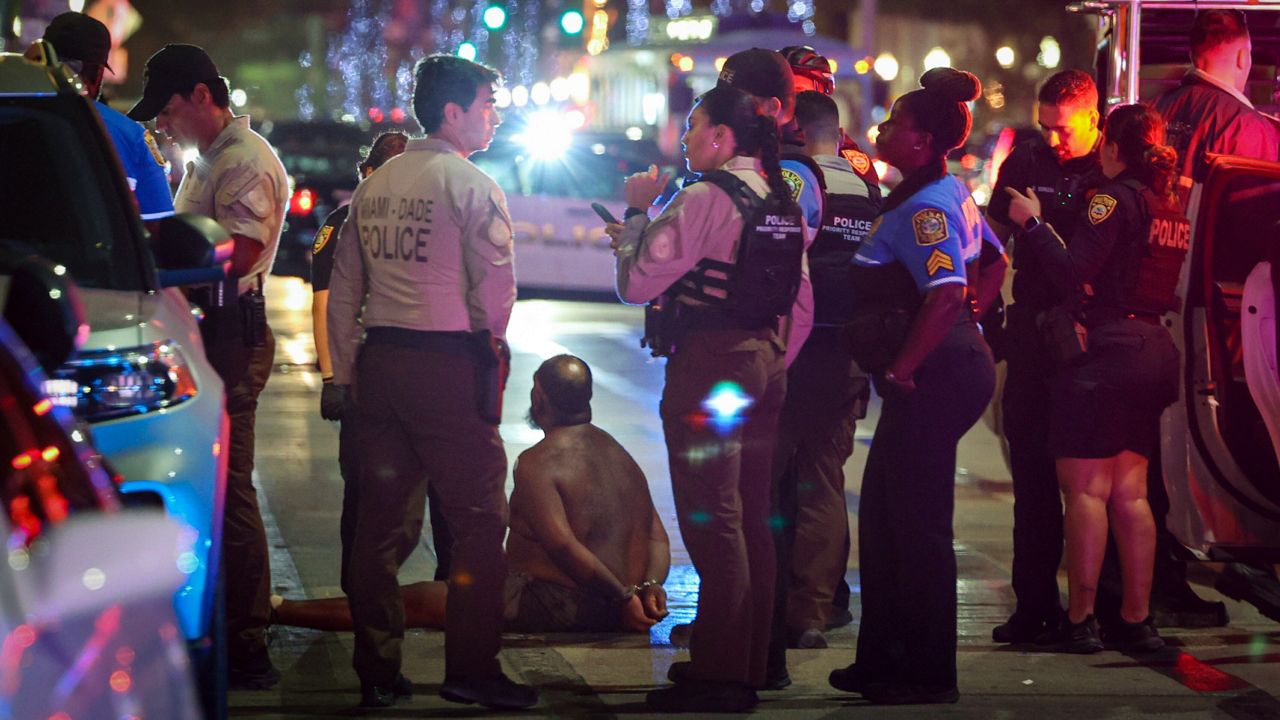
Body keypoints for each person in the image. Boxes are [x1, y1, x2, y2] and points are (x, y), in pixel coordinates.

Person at [325, 54, 537, 711]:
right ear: (453, 112)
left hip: (380, 360)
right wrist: (488, 349)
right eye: (486, 106)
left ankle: (378, 671)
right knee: (478, 520)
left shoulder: (377, 184)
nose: (494, 117)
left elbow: (343, 293)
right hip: (447, 363)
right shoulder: (470, 186)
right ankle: (473, 667)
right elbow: (496, 292)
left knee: (379, 530)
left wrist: (344, 369)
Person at [609, 83, 803, 712]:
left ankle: (720, 676)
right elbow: (798, 300)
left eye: (694, 126)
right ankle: (748, 663)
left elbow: (638, 282)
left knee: (712, 517)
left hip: (714, 365)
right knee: (751, 517)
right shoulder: (781, 196)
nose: (686, 137)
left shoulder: (704, 198)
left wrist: (636, 215)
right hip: (764, 364)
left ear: (722, 136)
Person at [271, 355, 672, 634]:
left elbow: (562, 545)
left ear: (539, 399)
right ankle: (279, 609)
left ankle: (277, 610)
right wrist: (650, 586)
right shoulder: (623, 456)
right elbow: (656, 535)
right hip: (623, 601)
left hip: (568, 603)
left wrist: (621, 599)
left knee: (424, 602)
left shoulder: (537, 462)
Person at [828, 68, 996, 705]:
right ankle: (881, 662)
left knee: (917, 526)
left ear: (922, 140)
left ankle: (926, 673)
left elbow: (948, 289)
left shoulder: (928, 205)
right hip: (942, 364)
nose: (882, 129)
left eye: (894, 123)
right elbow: (994, 258)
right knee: (885, 516)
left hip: (933, 374)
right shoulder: (944, 192)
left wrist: (904, 367)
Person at [127, 43, 289, 690]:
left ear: (201, 95)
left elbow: (240, 250)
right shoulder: (212, 158)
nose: (164, 125)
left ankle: (247, 639)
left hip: (230, 330)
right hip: (205, 327)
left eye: (169, 111)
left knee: (231, 485)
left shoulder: (244, 162)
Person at [1004, 103, 1187, 654]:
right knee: (1132, 493)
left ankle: (1080, 619)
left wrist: (1034, 224)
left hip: (1108, 350)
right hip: (1154, 349)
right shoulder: (1168, 201)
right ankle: (1136, 619)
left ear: (1111, 146)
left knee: (1086, 490)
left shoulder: (1113, 197)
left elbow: (1073, 268)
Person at [1154, 8, 1280, 622]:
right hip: (1220, 307)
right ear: (1244, 56)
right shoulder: (1246, 126)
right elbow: (1259, 231)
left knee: (1161, 451)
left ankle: (1161, 582)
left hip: (1154, 301)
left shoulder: (1162, 113)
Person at [984, 69, 1115, 643]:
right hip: (1034, 336)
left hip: (1091, 343)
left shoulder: (1109, 170)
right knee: (1032, 482)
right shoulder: (1025, 161)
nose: (1053, 139)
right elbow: (992, 238)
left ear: (1094, 118)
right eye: (1045, 127)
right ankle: (1032, 605)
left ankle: (1099, 608)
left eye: (1063, 129)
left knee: (1093, 484)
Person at [309, 131, 456, 593]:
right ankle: (362, 596)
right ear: (367, 173)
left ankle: (448, 590)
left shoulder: (428, 212)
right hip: (373, 370)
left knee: (438, 491)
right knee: (367, 491)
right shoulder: (344, 221)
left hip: (415, 367)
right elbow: (328, 302)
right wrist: (334, 376)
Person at [767, 90, 878, 660]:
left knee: (764, 478)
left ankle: (760, 609)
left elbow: (779, 248)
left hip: (797, 349)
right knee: (823, 483)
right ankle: (812, 610)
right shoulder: (866, 185)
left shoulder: (794, 177)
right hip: (848, 353)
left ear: (797, 129)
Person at [41, 12, 174, 227]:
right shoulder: (131, 137)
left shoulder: (13, 117)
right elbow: (159, 228)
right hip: (102, 259)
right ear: (96, 73)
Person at [1155, 9, 1278, 185]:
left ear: (1193, 55)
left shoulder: (1155, 107)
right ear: (1242, 57)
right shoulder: (1248, 125)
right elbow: (1254, 206)